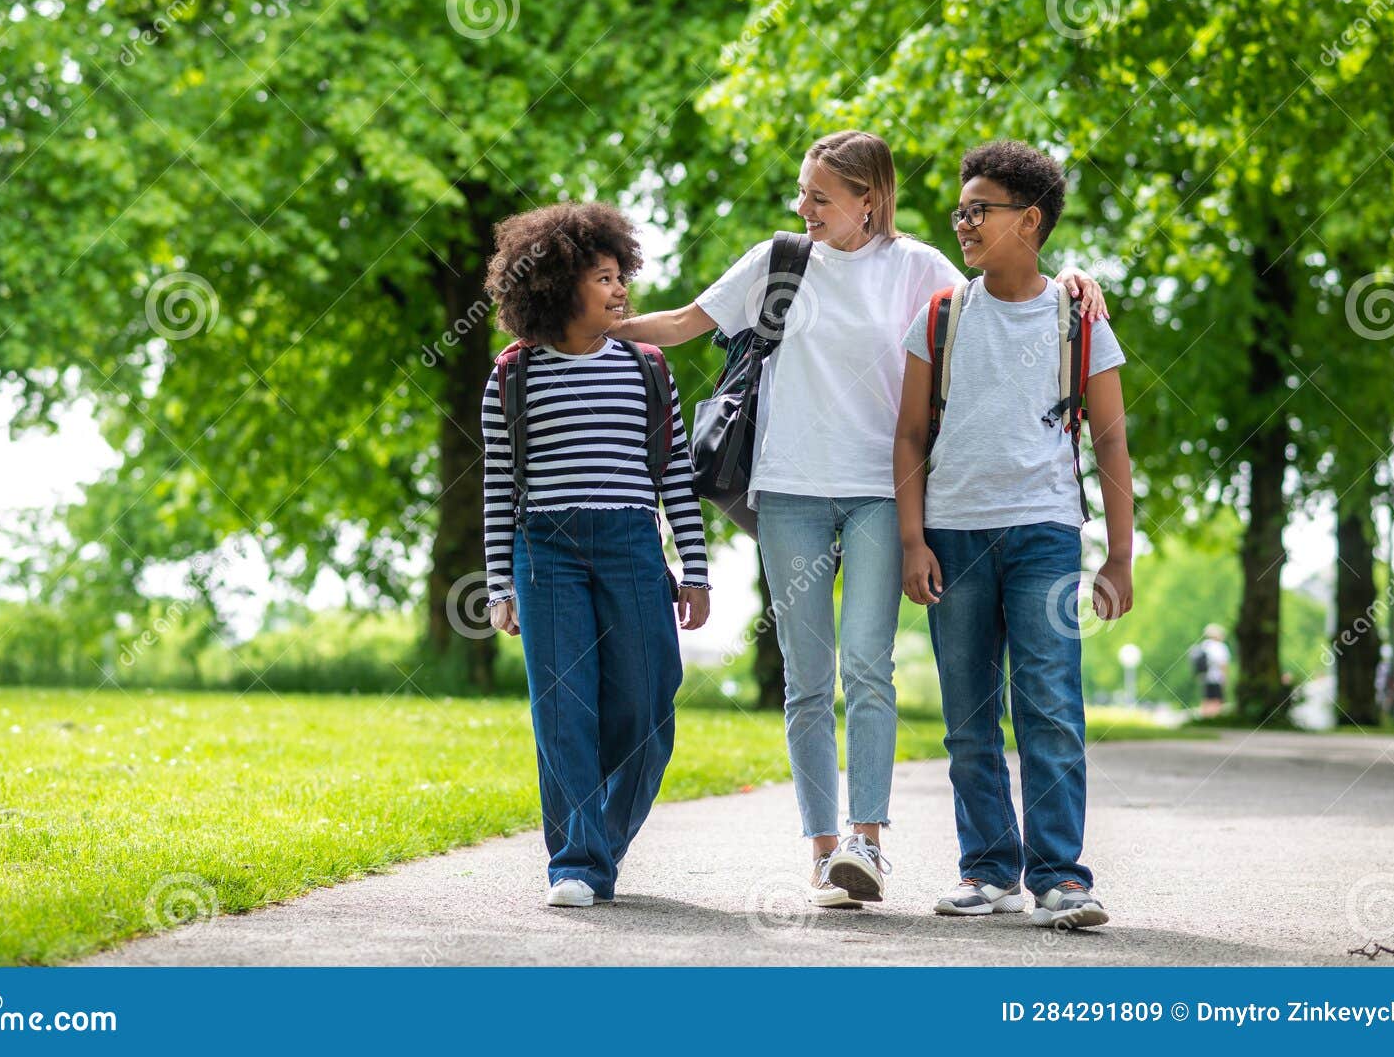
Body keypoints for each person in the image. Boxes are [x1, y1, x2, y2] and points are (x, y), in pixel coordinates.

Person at [615, 130, 1108, 909]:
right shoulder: (780, 260)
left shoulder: (916, 266)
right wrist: (589, 327)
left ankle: (868, 841)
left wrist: (1076, 277)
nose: (802, 207)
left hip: (884, 489)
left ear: (867, 200)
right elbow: (684, 323)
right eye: (802, 192)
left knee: (867, 670)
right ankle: (825, 852)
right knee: (808, 683)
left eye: (819, 195)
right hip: (788, 487)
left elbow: (1000, 291)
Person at [896, 139, 1133, 930]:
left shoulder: (1080, 317)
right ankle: (989, 869)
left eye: (980, 210)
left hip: (1045, 535)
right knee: (968, 715)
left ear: (1028, 221)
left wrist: (1121, 554)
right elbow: (907, 438)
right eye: (960, 209)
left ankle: (1062, 877)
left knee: (1052, 705)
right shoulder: (940, 315)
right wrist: (911, 538)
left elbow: (1109, 442)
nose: (963, 221)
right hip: (953, 534)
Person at [480, 201, 711, 908]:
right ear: (556, 286)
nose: (620, 290)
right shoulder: (512, 375)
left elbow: (675, 474)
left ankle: (599, 839)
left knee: (646, 699)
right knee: (564, 706)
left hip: (632, 545)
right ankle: (578, 862)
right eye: (604, 278)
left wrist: (695, 568)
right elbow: (498, 483)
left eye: (621, 276)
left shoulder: (648, 368)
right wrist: (498, 583)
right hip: (544, 550)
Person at [1194, 624, 1231, 719]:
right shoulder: (1220, 646)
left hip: (1205, 677)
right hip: (1217, 677)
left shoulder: (1204, 645)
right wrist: (1225, 679)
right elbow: (1223, 665)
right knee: (1217, 700)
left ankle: (1204, 718)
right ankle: (1214, 719)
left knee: (1206, 699)